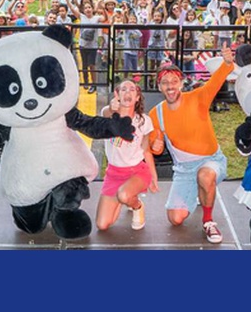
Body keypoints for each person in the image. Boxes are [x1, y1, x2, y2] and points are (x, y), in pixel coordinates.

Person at [147, 44, 235, 244]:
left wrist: (227, 63)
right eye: (165, 83)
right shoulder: (156, 113)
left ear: (181, 83)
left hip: (211, 161)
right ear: (159, 86)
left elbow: (216, 81)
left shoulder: (198, 98)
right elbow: (155, 147)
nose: (170, 86)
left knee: (205, 176)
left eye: (174, 81)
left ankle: (208, 220)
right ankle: (200, 190)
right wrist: (156, 145)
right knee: (175, 219)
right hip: (184, 170)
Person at [95, 79, 159, 231]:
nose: (128, 92)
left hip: (136, 172)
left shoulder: (144, 121)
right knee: (102, 225)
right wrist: (112, 107)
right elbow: (108, 111)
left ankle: (137, 206)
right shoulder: (108, 114)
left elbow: (146, 151)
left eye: (132, 89)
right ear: (117, 94)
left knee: (123, 195)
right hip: (113, 174)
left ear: (137, 97)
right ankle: (124, 198)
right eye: (123, 89)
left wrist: (154, 177)